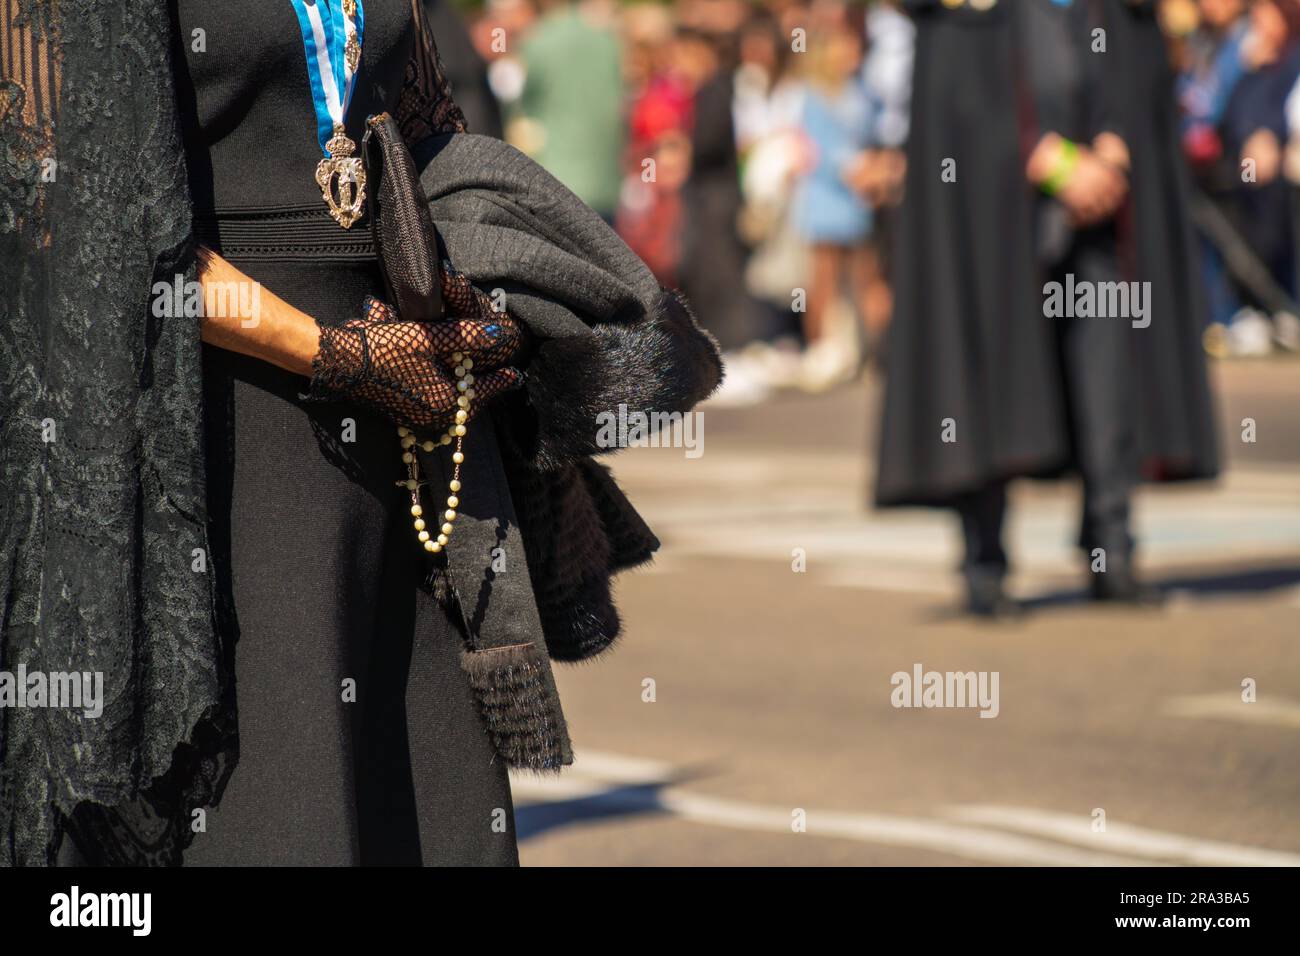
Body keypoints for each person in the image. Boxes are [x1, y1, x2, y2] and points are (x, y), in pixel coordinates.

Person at [0, 0, 719, 866]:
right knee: (277, 806)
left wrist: (487, 290)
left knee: (431, 805)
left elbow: (431, 134)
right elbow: (69, 213)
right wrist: (329, 354)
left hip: (402, 418)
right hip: (211, 434)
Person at [875, 0, 1219, 617]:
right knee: (990, 374)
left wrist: (1112, 150)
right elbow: (967, 101)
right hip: (997, 217)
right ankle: (986, 562)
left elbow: (1130, 78)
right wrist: (1048, 160)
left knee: (1108, 383)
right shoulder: (966, 16)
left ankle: (1111, 550)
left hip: (1101, 214)